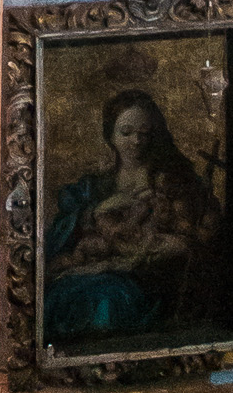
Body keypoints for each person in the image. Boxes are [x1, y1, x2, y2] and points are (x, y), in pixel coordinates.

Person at [45, 90, 221, 343]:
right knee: (59, 293)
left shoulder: (172, 181)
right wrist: (99, 209)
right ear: (111, 136)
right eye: (126, 133)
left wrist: (163, 248)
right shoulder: (95, 185)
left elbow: (196, 237)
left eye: (144, 133)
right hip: (95, 269)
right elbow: (59, 237)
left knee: (106, 298)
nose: (136, 141)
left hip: (148, 281)